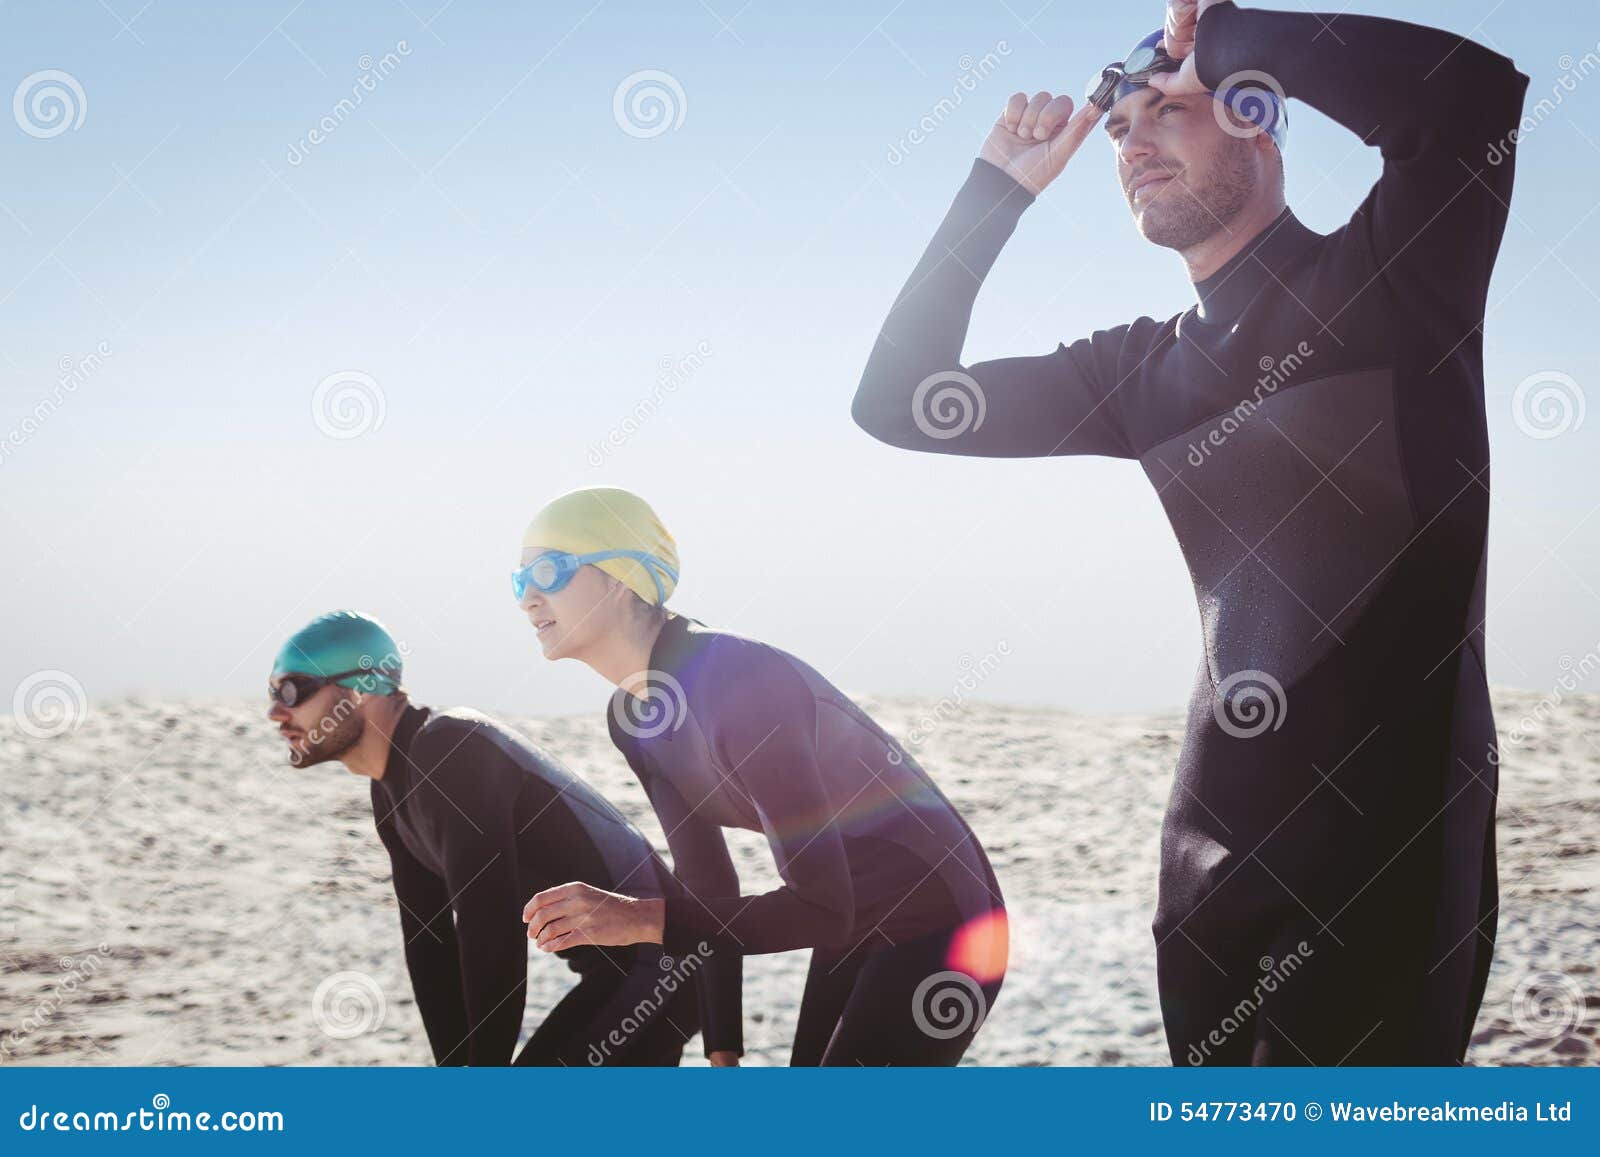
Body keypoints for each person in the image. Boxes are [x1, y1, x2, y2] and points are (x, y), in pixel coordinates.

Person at [852, 0, 1528, 1065]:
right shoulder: (1138, 373)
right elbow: (898, 402)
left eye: (1169, 110)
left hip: (1382, 862)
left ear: (1258, 114)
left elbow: (1468, 98)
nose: (1131, 140)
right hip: (1202, 868)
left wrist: (1224, 34)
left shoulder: (1396, 282)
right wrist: (997, 196)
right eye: (1117, 126)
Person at [513, 487, 1009, 1065]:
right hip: (850, 926)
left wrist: (635, 919)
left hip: (943, 917)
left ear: (621, 579)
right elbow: (708, 885)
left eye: (547, 572)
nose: (528, 599)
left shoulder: (736, 679)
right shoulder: (636, 719)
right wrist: (724, 1048)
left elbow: (819, 904)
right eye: (518, 581)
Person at [267, 609, 702, 1066]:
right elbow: (431, 946)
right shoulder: (390, 789)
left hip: (664, 966)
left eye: (293, 690)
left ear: (363, 687)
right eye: (273, 693)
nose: (276, 712)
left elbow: (489, 934)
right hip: (633, 974)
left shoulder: (449, 750)